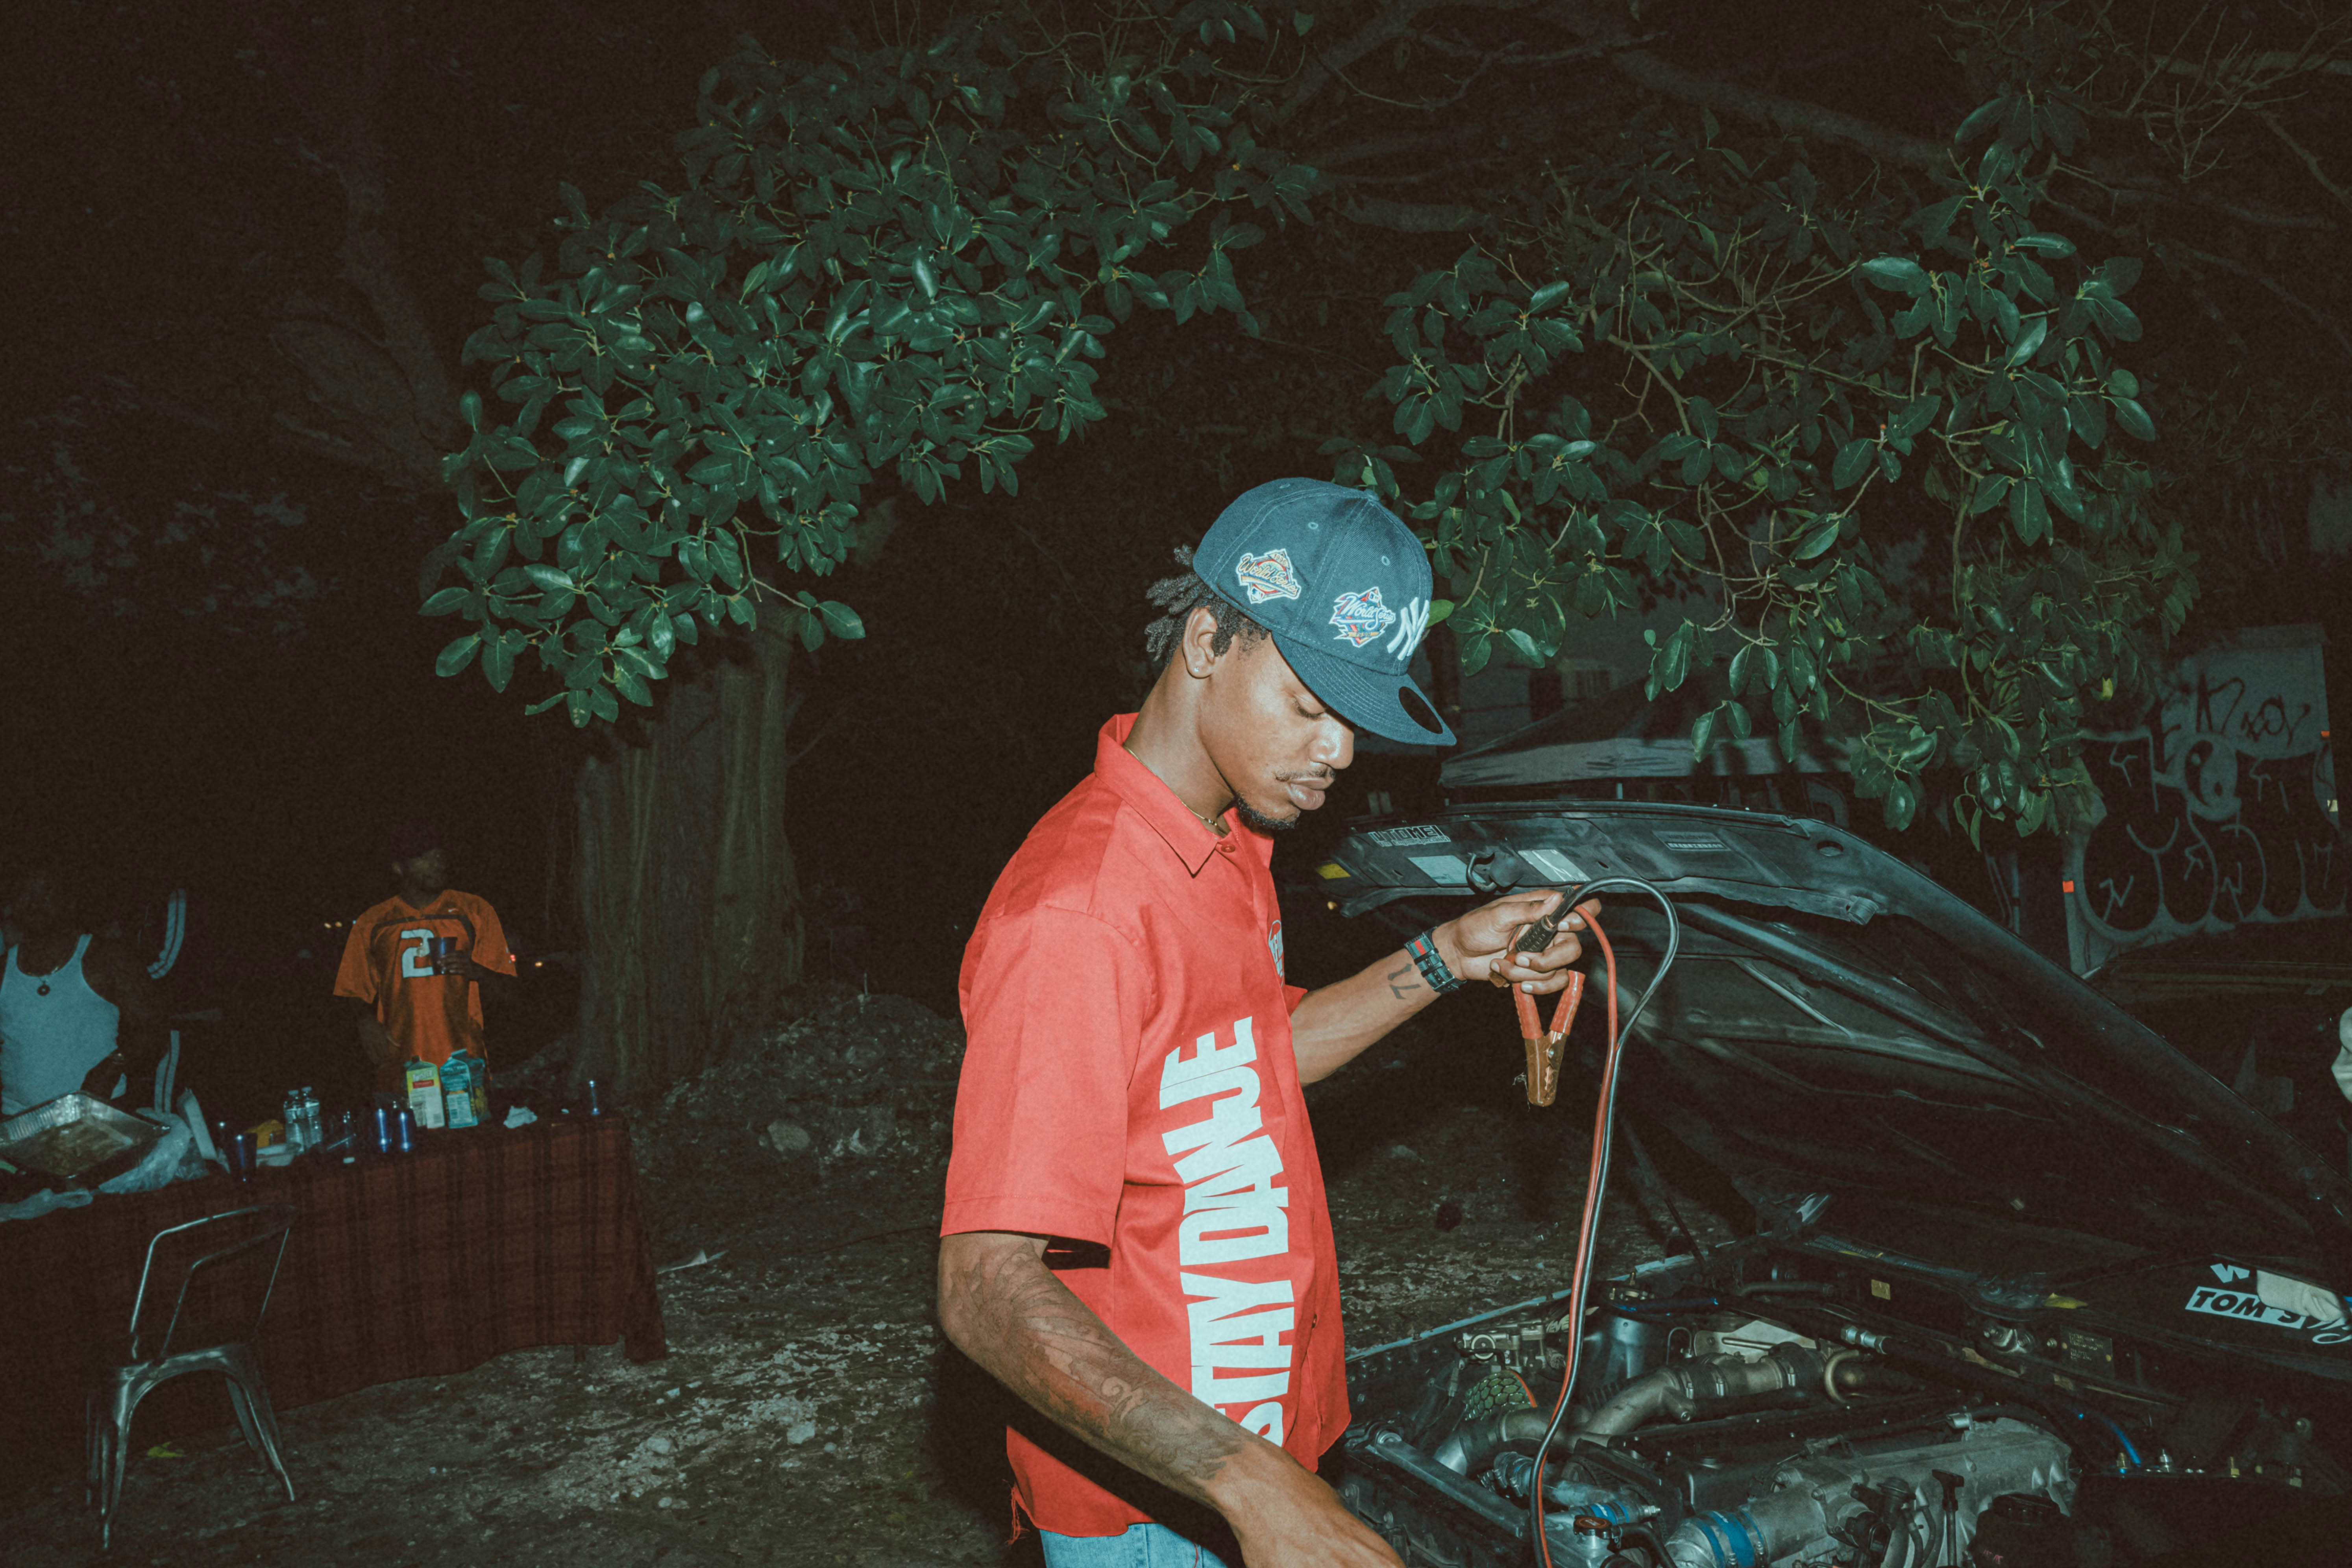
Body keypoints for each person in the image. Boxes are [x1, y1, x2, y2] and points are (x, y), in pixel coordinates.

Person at [937, 478, 1596, 1568]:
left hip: (1253, 1451)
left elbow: (1246, 1064)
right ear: (1207, 641)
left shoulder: (1227, 843)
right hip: (1156, 1508)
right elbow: (984, 1284)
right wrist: (1250, 1489)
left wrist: (1444, 958)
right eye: (1311, 705)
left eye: (1357, 719)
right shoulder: (1081, 911)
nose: (1339, 751)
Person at [333, 821, 513, 1095]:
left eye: (439, 856)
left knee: (470, 1135)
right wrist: (364, 1021)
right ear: (399, 868)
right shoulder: (373, 922)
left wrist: (478, 972)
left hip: (464, 1059)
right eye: (423, 858)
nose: (436, 864)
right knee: (412, 1136)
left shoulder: (475, 910)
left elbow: (510, 993)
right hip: (401, 1060)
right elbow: (353, 987)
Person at [0, 856, 166, 1116]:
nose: (33, 903)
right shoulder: (3, 968)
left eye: (46, 892)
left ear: (69, 901)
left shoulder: (107, 958)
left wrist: (113, 1066)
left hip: (98, 1116)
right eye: (25, 893)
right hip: (20, 1120)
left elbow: (152, 1030)